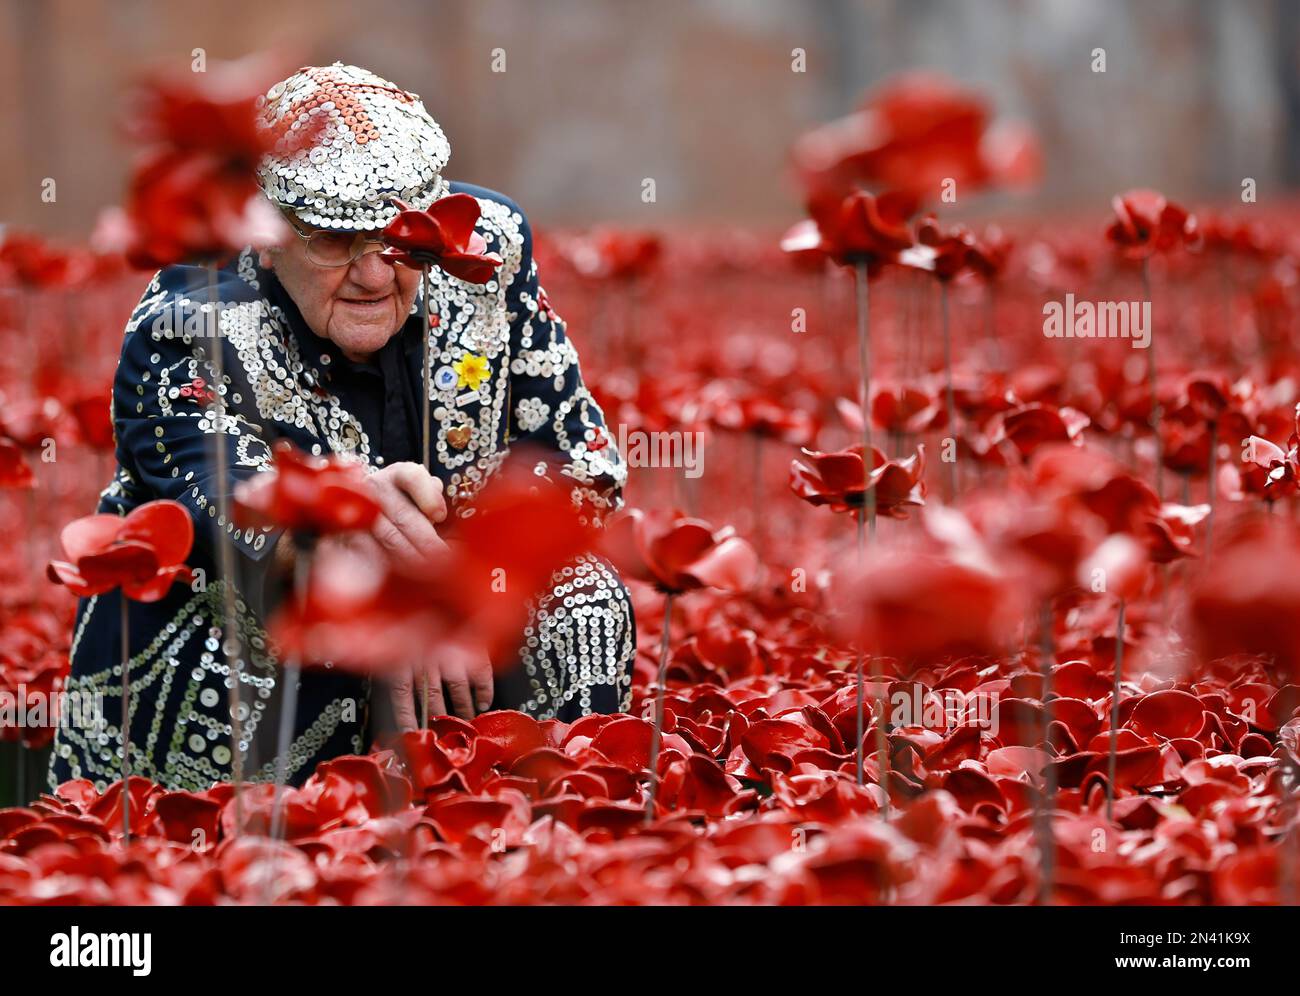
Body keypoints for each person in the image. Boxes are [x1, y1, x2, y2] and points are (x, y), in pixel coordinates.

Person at [49, 63, 635, 793]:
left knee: (584, 597)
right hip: (238, 654)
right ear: (267, 230)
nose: (373, 275)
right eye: (334, 241)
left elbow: (583, 467)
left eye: (401, 242)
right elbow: (218, 509)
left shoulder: (489, 246)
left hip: (466, 628)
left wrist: (447, 578)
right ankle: (241, 863)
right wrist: (345, 530)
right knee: (311, 624)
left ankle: (548, 839)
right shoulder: (190, 308)